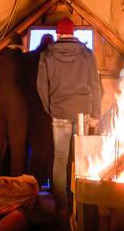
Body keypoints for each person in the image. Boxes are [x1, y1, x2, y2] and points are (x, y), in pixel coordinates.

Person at [37, 18, 101, 212]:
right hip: (84, 112)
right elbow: (95, 85)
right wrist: (96, 112)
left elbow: (41, 86)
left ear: (58, 33)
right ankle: (80, 203)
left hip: (59, 111)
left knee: (60, 158)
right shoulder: (87, 55)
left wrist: (50, 108)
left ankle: (61, 205)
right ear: (73, 33)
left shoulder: (47, 55)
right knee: (81, 158)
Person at [0, 39, 29, 177]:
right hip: (19, 108)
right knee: (18, 148)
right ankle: (16, 182)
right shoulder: (24, 60)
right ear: (20, 45)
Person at [25, 34, 54, 187]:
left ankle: (33, 180)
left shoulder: (29, 57)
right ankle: (45, 178)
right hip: (46, 105)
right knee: (48, 144)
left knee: (35, 145)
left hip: (30, 106)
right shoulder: (49, 59)